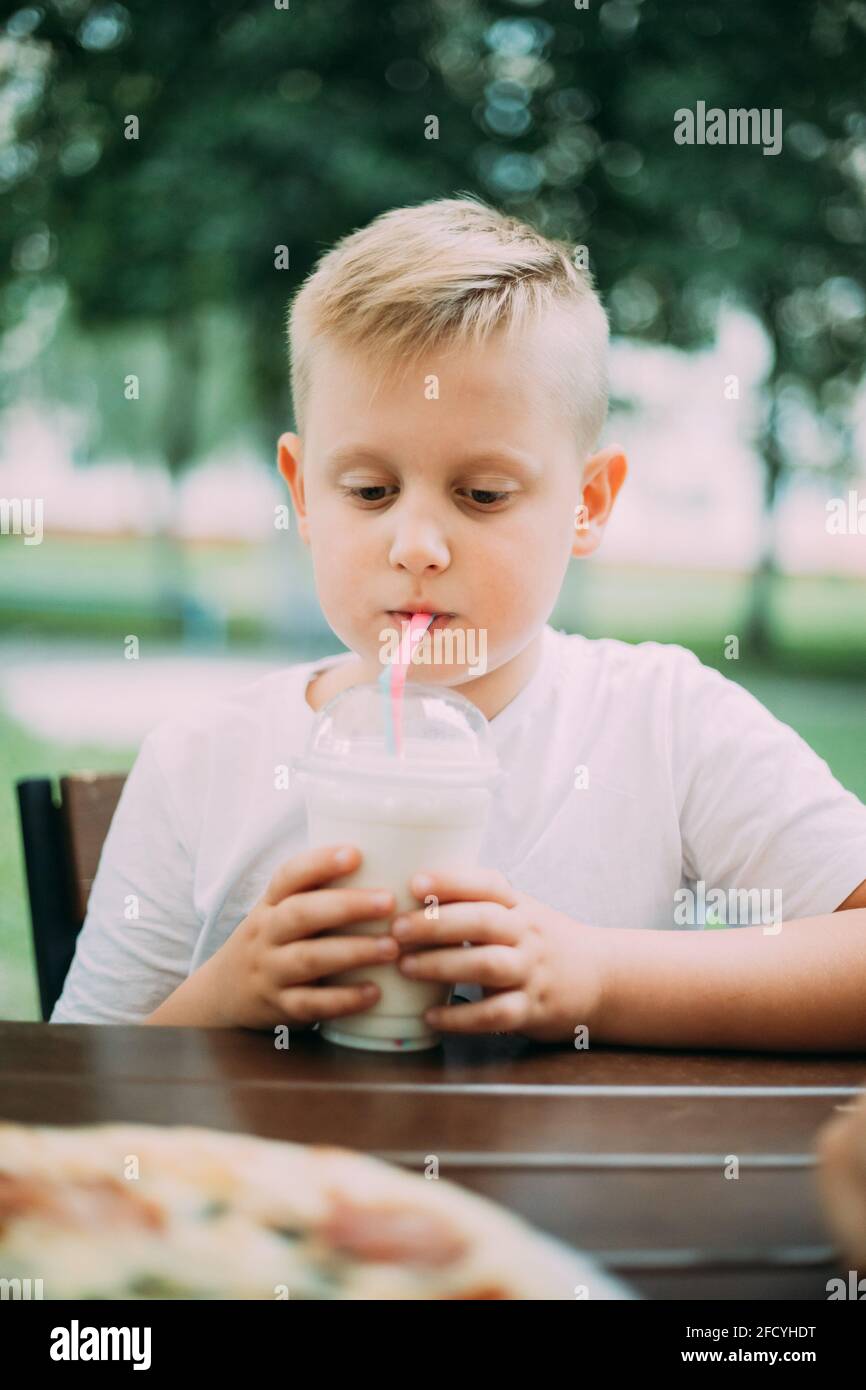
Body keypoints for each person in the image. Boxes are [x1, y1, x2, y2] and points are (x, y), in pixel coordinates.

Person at [51, 196, 866, 1049]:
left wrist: (600, 977)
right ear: (301, 492)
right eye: (369, 490)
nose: (416, 547)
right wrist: (220, 1000)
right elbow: (75, 1075)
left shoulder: (665, 721)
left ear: (588, 503)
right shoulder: (202, 759)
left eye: (482, 494)